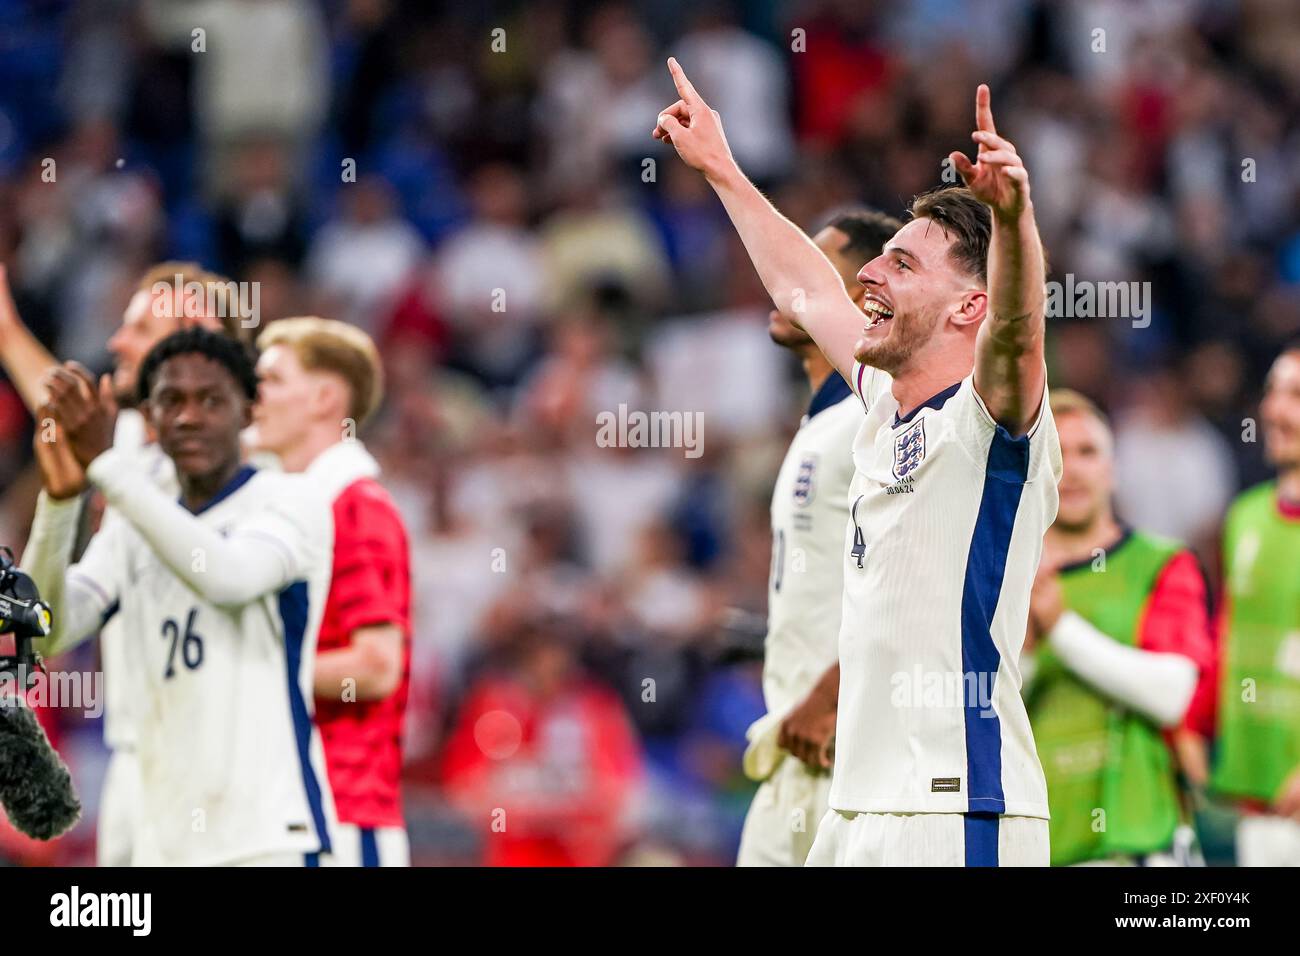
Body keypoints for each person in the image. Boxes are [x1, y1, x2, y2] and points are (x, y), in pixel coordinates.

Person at [656, 60, 1059, 865]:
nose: (868, 273)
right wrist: (724, 170)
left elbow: (1017, 335)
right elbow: (807, 290)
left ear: (968, 307)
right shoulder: (881, 407)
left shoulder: (989, 425)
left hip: (957, 807)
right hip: (859, 806)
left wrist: (1014, 223)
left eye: (902, 265)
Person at [24, 328, 336, 865]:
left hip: (265, 839)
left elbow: (228, 578)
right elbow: (50, 631)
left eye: (212, 400)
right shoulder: (133, 520)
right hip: (164, 843)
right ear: (149, 417)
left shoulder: (289, 500)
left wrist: (106, 466)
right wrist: (59, 503)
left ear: (248, 411)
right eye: (172, 401)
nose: (190, 417)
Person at [0, 261, 251, 866]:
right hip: (134, 775)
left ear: (194, 323)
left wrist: (7, 330)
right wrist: (61, 503)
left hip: (234, 779)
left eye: (136, 326)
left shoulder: (259, 465)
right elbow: (52, 625)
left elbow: (79, 419)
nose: (116, 342)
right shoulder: (138, 451)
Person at [737, 209, 901, 867]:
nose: (784, 287)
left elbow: (908, 576)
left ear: (863, 297)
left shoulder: (878, 414)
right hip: (796, 744)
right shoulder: (823, 420)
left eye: (811, 270)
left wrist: (828, 693)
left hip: (846, 743)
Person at [1024, 389, 1212, 865]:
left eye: (1088, 451)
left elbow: (1171, 694)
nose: (1074, 468)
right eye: (1057, 452)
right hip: (1036, 843)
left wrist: (1060, 627)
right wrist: (1025, 647)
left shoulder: (1161, 564)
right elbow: (975, 715)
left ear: (1114, 467)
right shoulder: (1002, 576)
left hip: (1141, 844)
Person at [250, 317, 412, 867]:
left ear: (324, 397)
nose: (254, 396)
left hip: (342, 814)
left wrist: (246, 675)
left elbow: (374, 666)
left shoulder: (356, 504)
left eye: (271, 379)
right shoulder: (298, 504)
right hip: (295, 809)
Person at [1203, 345, 1300, 865]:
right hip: (1253, 796)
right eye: (1271, 393)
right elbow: (1228, 638)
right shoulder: (1245, 516)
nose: (1273, 411)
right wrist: (1193, 729)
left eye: (1295, 396)